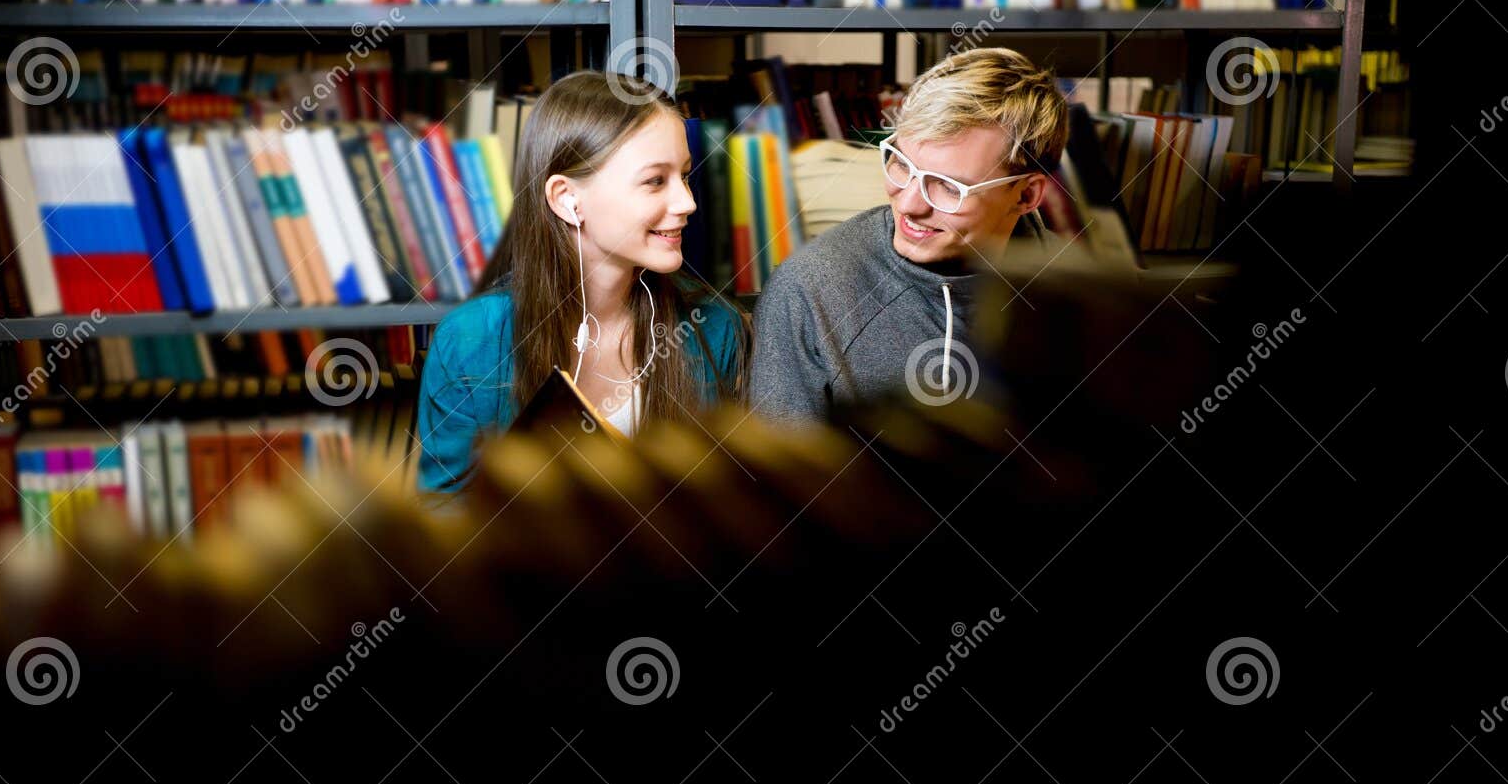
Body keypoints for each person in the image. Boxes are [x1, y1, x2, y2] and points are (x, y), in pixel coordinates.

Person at [416, 71, 747, 495]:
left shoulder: (713, 328)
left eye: (684, 175)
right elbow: (445, 526)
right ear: (567, 199)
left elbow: (732, 509)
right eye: (654, 181)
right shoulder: (470, 341)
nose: (688, 202)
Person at [748, 47, 1067, 421]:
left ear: (1027, 194)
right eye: (901, 163)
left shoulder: (1081, 302)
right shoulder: (809, 289)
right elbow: (783, 475)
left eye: (948, 187)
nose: (910, 204)